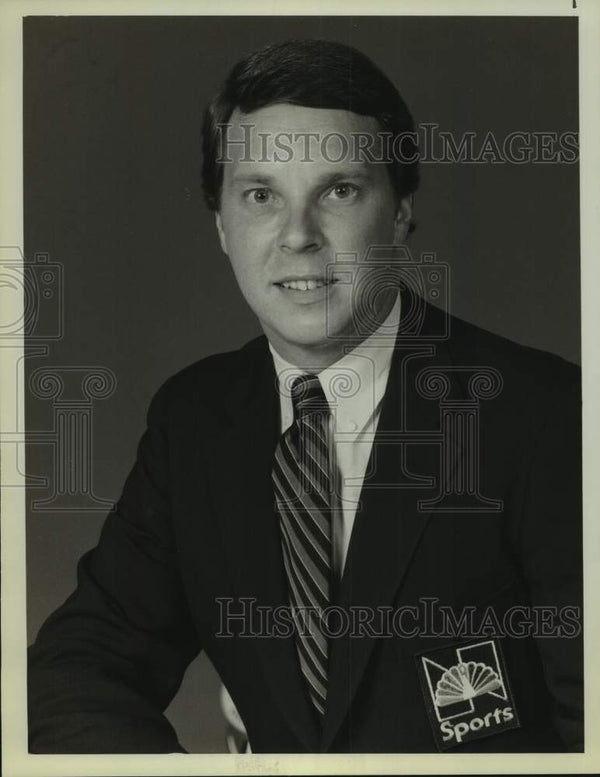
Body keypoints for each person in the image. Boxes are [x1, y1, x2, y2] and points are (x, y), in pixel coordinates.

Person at [28, 38, 583, 754]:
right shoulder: (194, 421)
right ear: (222, 224)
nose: (297, 235)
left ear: (402, 208)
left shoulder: (543, 414)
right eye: (261, 195)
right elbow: (79, 666)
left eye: (339, 190)